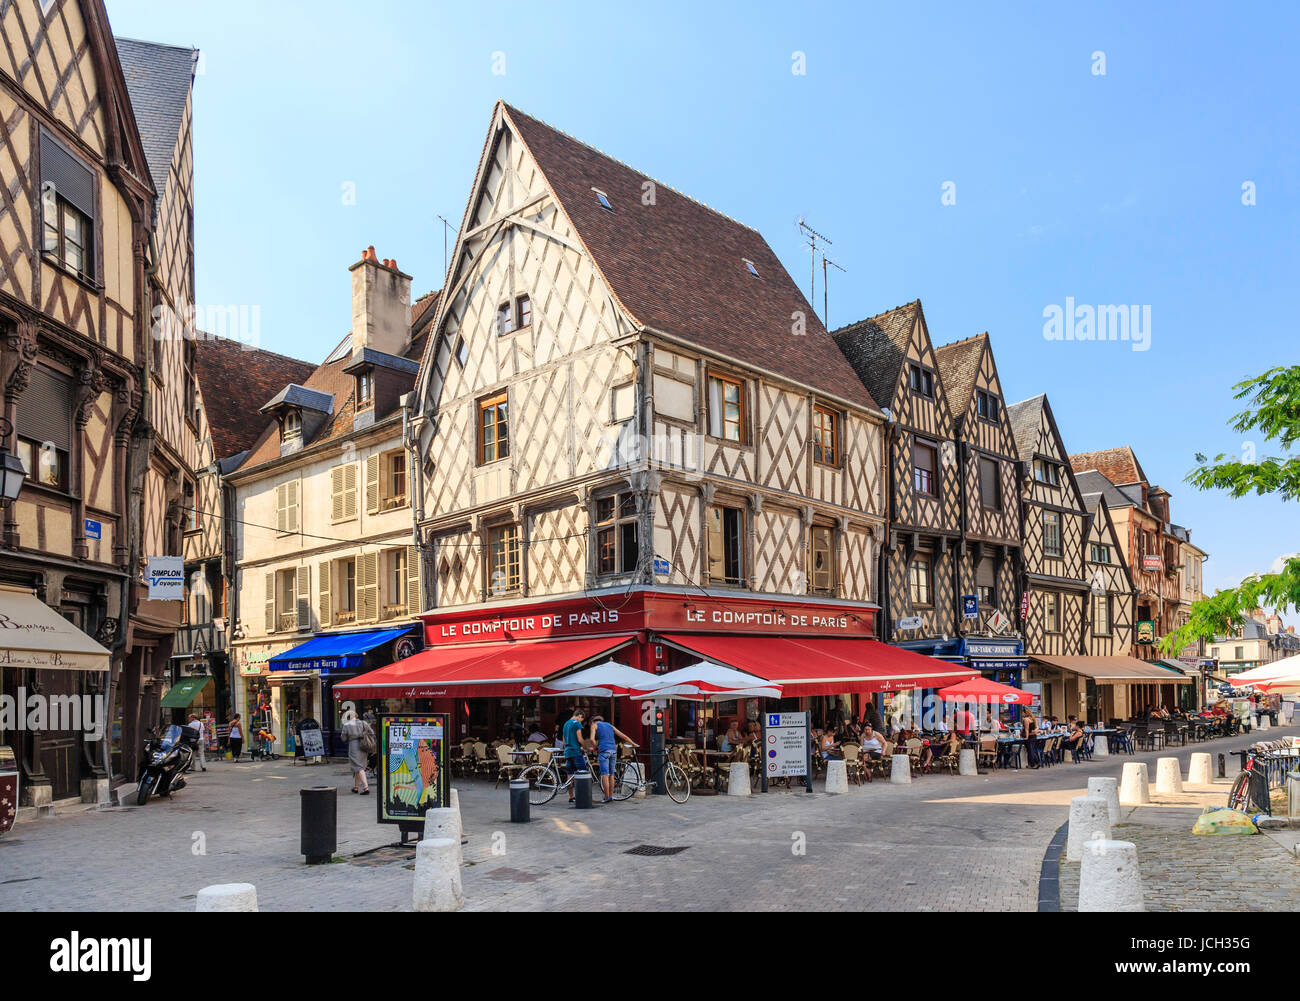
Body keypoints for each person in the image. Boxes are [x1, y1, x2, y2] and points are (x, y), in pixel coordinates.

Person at [588, 714, 638, 803]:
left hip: (604, 751)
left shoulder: (594, 725)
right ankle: (610, 796)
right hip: (613, 750)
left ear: (592, 721)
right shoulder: (610, 725)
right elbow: (624, 736)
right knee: (611, 774)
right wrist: (633, 743)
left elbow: (592, 739)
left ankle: (606, 797)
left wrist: (596, 746)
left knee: (604, 774)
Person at [561, 708, 589, 803]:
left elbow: (564, 741)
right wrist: (586, 747)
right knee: (583, 774)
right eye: (582, 719)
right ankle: (583, 796)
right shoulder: (577, 723)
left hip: (568, 752)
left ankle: (571, 797)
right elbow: (580, 739)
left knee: (570, 775)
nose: (581, 721)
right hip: (576, 752)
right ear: (580, 715)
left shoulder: (565, 724)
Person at [341, 713, 373, 794]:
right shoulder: (363, 723)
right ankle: (356, 787)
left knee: (359, 767)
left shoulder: (347, 725)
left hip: (354, 746)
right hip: (364, 745)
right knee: (359, 766)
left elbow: (343, 738)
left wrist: (350, 736)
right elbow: (371, 732)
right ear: (356, 716)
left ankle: (366, 788)